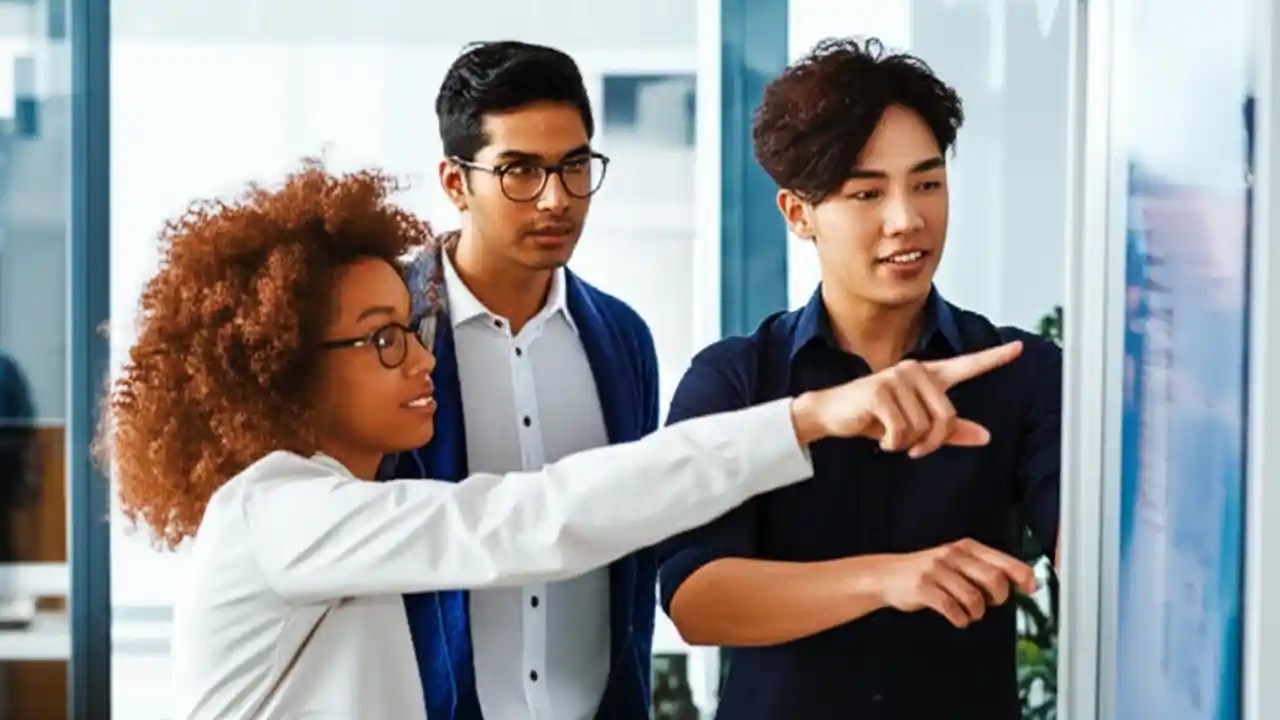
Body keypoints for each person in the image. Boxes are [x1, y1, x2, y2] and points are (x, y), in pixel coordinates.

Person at [99, 161, 1024, 719]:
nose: (420, 357)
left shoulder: (337, 513)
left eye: (411, 329)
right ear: (283, 371)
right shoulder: (277, 513)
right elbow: (535, 517)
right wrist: (813, 415)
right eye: (381, 340)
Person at [655, 37, 1062, 719]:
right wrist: (887, 579)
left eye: (927, 183)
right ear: (798, 213)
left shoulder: (1022, 375)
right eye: (866, 193)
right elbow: (695, 600)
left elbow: (1098, 554)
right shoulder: (734, 381)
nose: (907, 219)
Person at [388, 40, 652, 720]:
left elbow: (635, 557)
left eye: (574, 167)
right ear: (456, 183)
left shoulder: (624, 339)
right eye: (519, 172)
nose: (556, 199)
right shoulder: (387, 334)